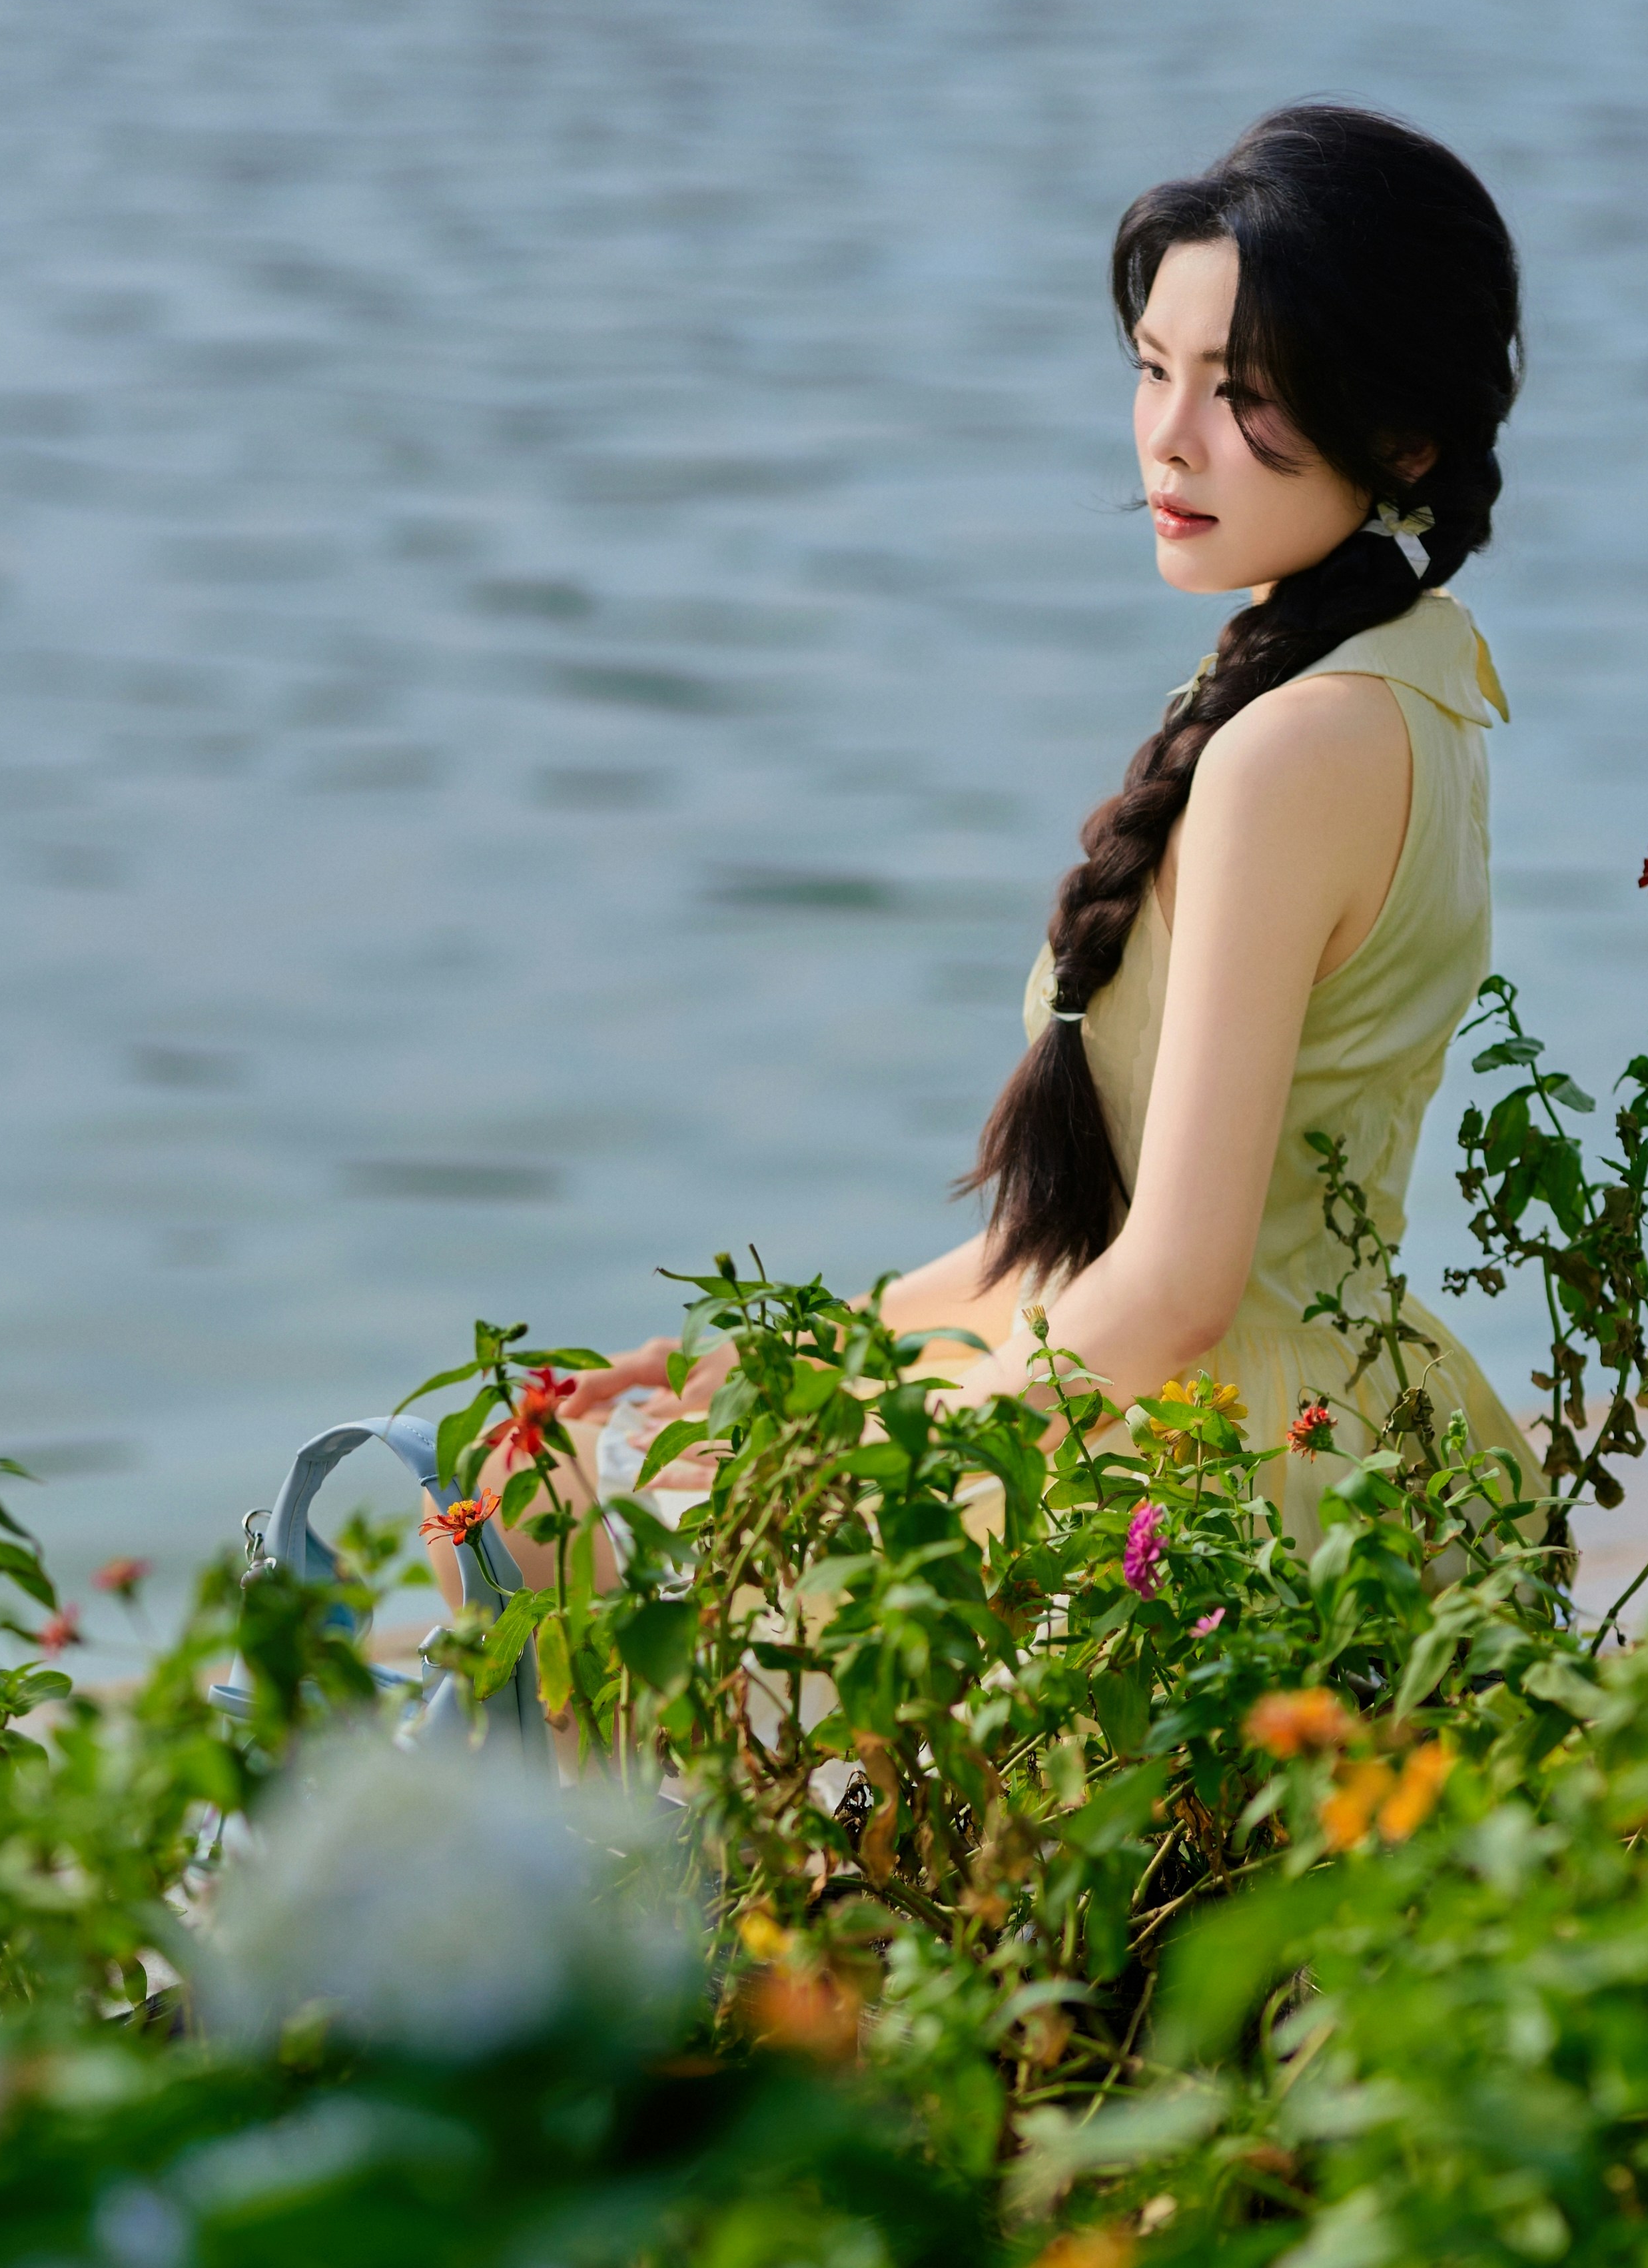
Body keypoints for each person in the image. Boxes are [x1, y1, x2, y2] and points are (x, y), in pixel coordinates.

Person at [462, 101, 1533, 1582]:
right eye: (1156, 369)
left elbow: (1175, 1286)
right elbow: (1068, 1247)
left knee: (548, 1536)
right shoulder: (1390, 676)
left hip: (1222, 1483)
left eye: (1244, 392)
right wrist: (780, 1376)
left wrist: (854, 1483)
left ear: (1402, 431)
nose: (1169, 435)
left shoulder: (1304, 742)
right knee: (563, 1475)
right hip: (1300, 1414)